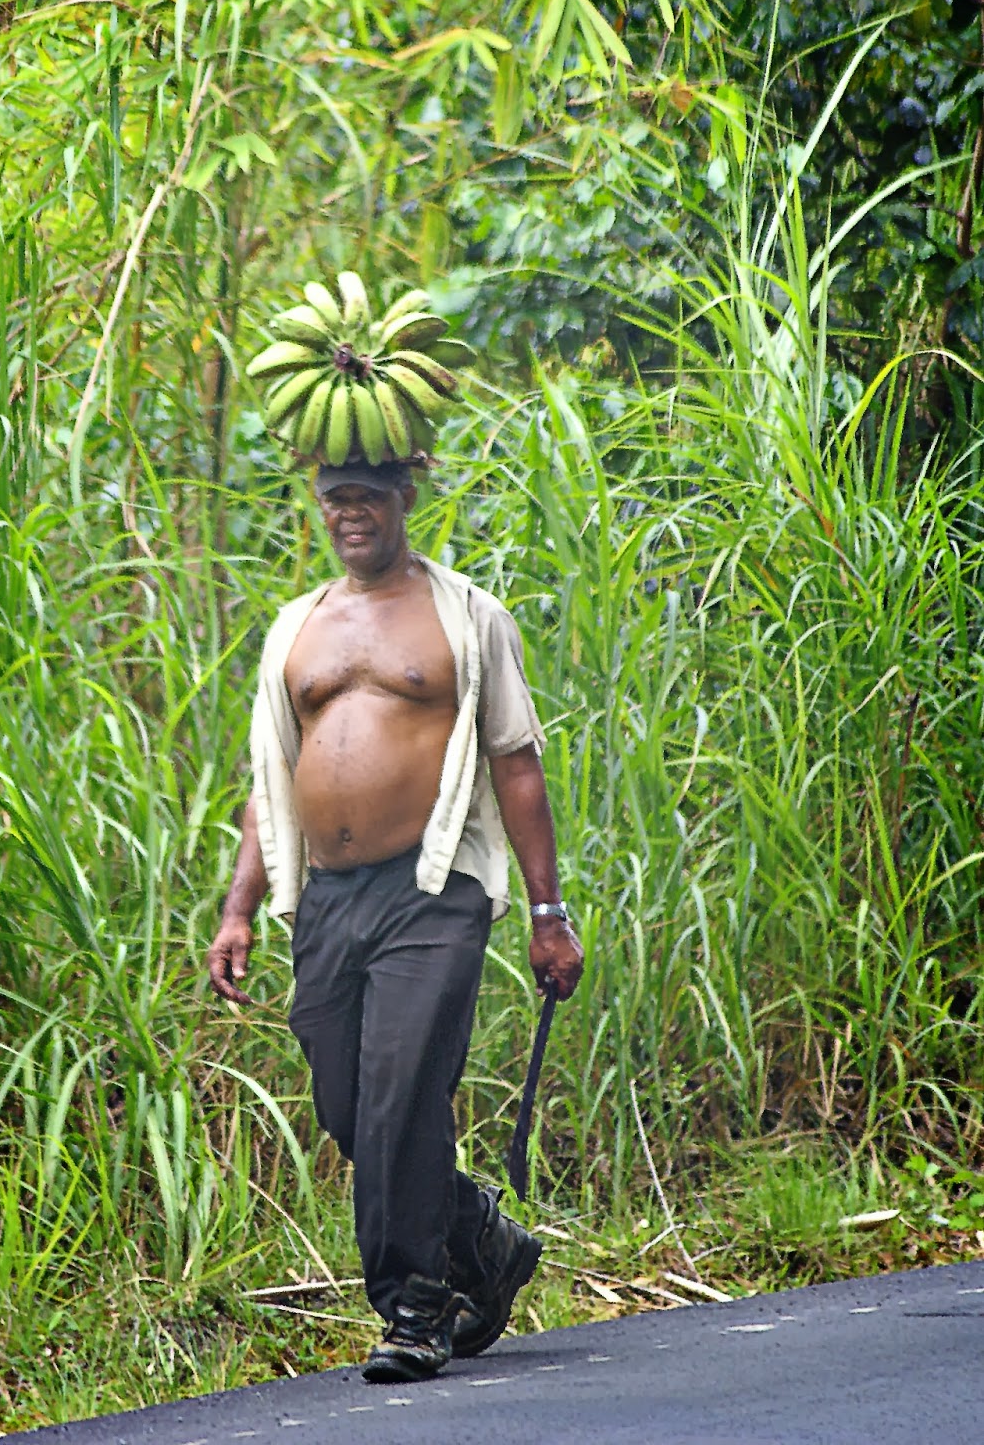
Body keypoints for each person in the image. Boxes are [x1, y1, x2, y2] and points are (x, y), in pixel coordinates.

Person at [207, 458, 583, 1383]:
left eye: (367, 496)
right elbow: (269, 777)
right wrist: (238, 909)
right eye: (335, 498)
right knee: (348, 1103)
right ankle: (478, 1232)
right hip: (329, 899)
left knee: (401, 1087)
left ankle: (415, 1305)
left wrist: (547, 913)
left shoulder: (468, 617)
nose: (350, 513)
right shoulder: (297, 628)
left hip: (434, 887)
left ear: (405, 497)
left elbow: (517, 763)